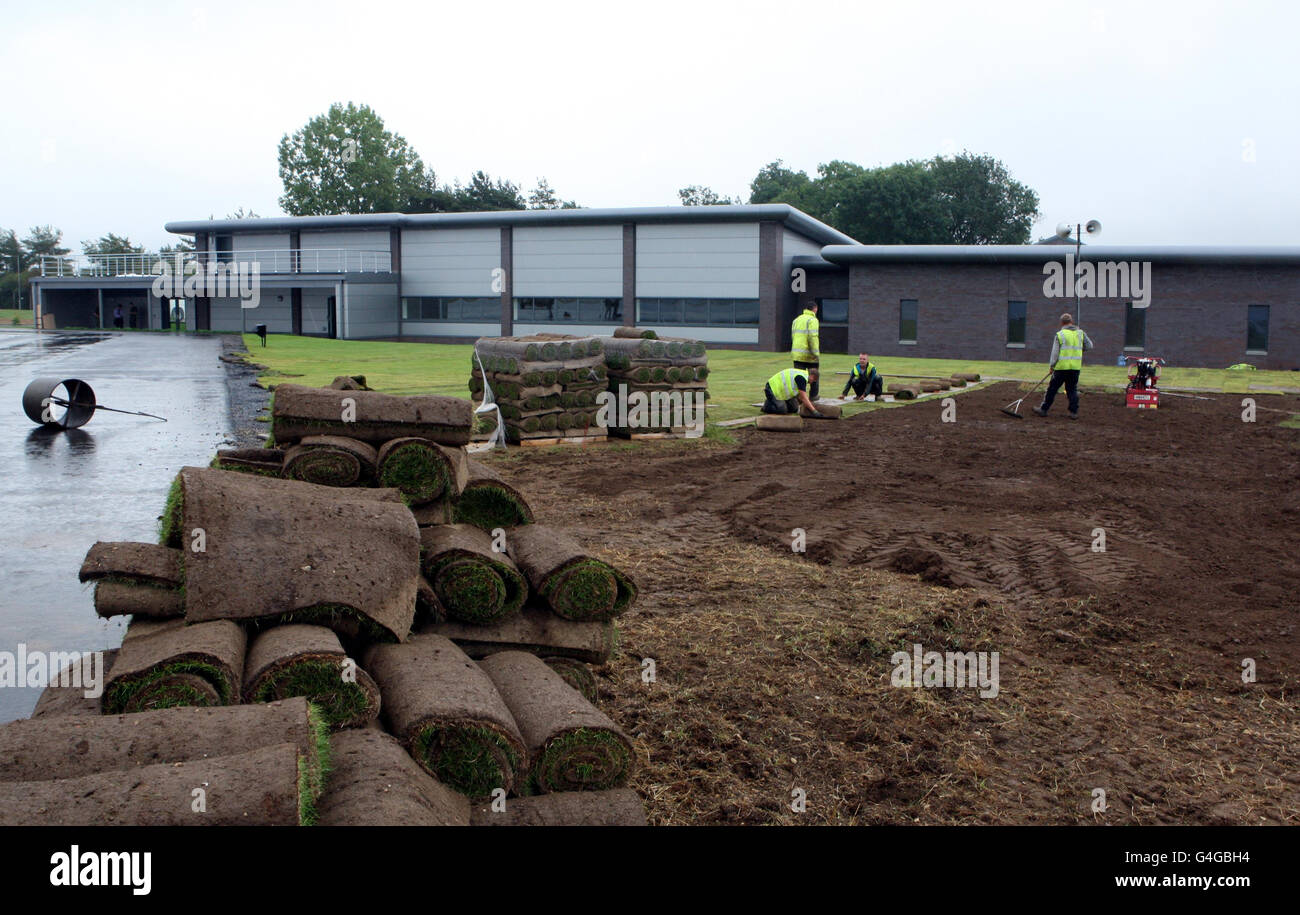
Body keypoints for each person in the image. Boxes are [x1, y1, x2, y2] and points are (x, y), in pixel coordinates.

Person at [1033, 313, 1094, 420]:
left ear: (1061, 322)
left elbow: (1055, 353)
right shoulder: (1081, 333)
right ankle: (1074, 412)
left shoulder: (1060, 334)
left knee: (1052, 389)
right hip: (1075, 368)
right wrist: (1080, 350)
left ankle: (1043, 410)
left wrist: (1052, 366)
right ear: (1071, 321)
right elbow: (1090, 346)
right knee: (1072, 390)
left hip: (1061, 368)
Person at [791, 302, 820, 400]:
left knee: (798, 377)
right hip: (809, 355)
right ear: (815, 309)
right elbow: (813, 337)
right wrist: (815, 353)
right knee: (814, 375)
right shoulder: (813, 320)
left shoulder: (796, 320)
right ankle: (813, 396)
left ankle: (799, 397)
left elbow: (793, 336)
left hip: (797, 354)